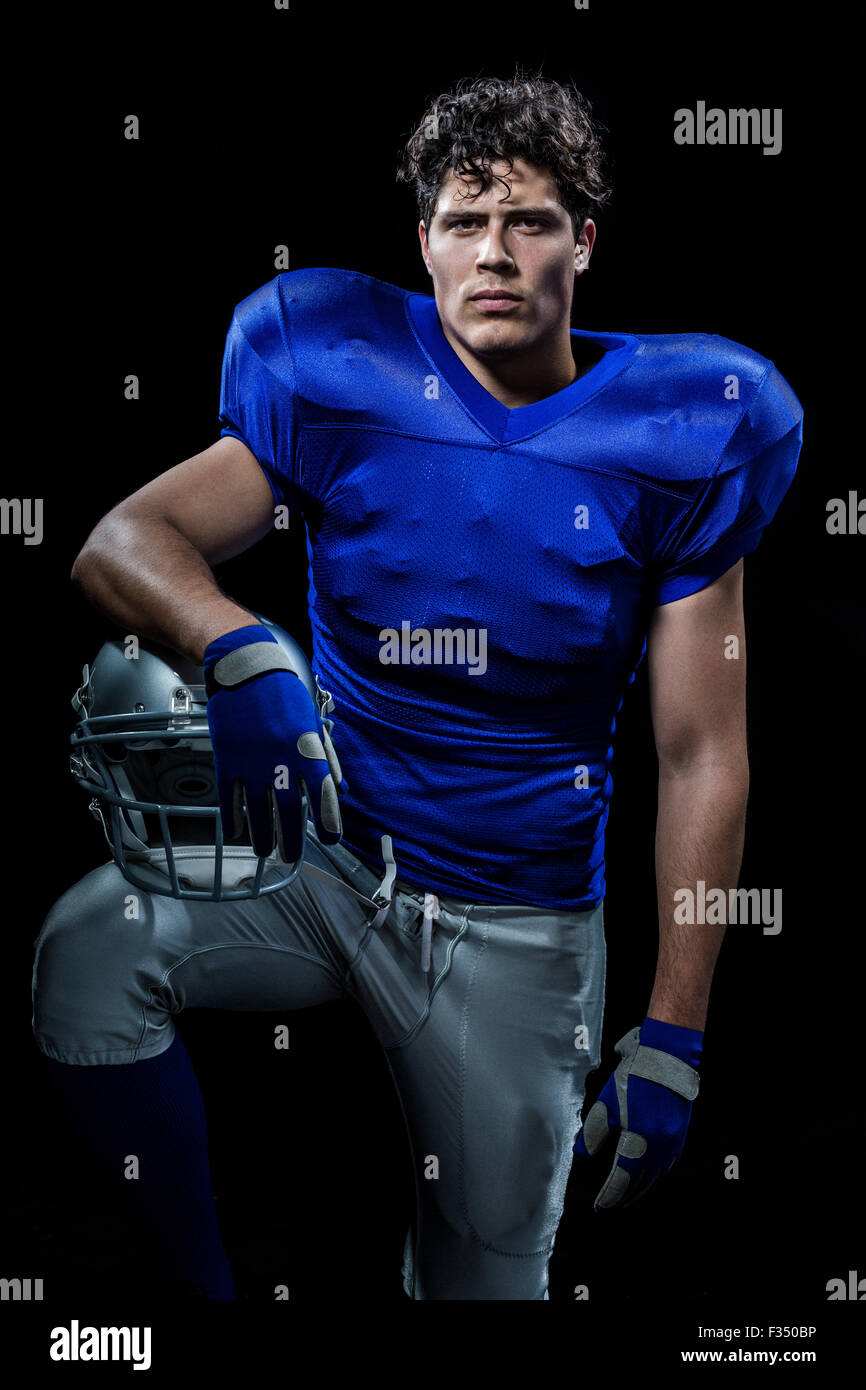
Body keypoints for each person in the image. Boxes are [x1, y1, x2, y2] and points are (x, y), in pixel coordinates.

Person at [32, 71, 803, 1301]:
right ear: (424, 245)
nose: (492, 253)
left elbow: (699, 751)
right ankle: (197, 1303)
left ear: (583, 242)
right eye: (462, 221)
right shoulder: (337, 368)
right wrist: (244, 651)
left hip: (514, 917)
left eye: (528, 221)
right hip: (320, 853)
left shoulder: (688, 429)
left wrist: (673, 1034)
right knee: (84, 955)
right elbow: (123, 542)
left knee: (485, 1285)